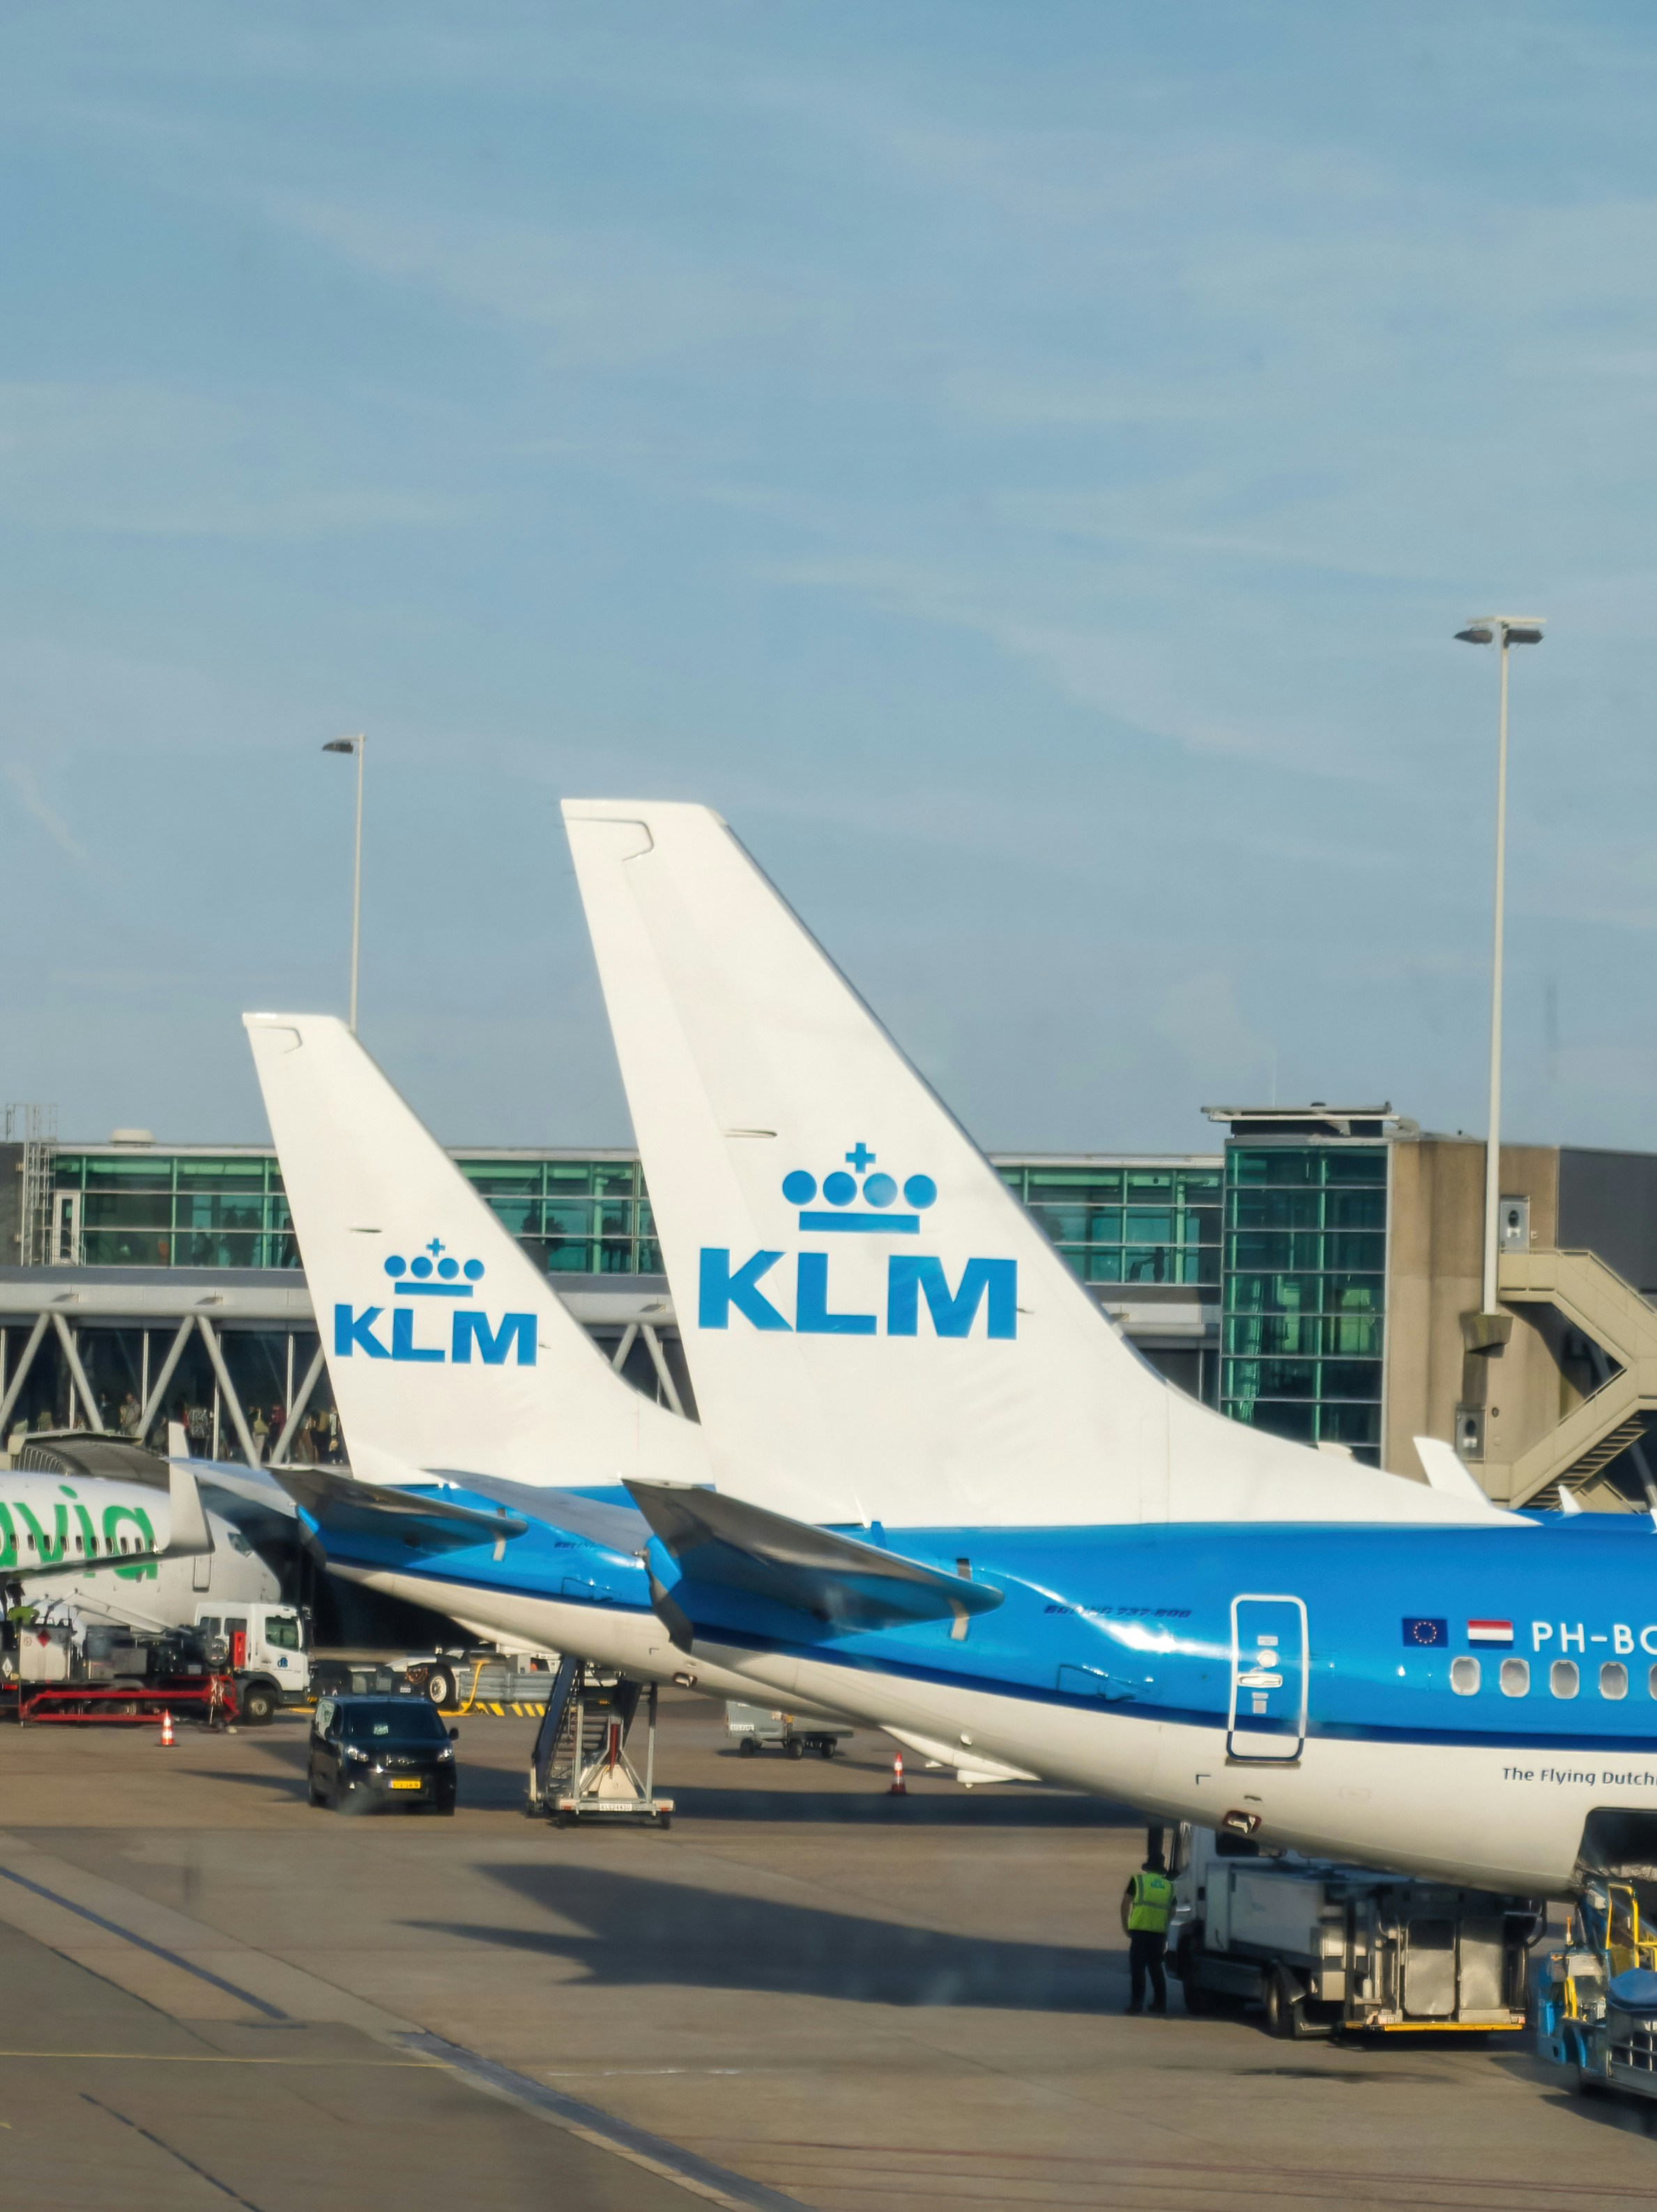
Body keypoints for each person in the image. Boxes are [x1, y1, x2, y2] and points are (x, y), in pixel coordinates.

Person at [1121, 1847, 1175, 2015]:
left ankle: (1137, 2004)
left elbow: (1125, 1904)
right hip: (1159, 1934)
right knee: (1156, 1969)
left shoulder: (1138, 1881)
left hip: (1139, 1931)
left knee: (1138, 1969)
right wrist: (1165, 1926)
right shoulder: (1169, 1886)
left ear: (1148, 1868)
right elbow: (1172, 1911)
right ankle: (1160, 2004)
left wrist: (1126, 1926)